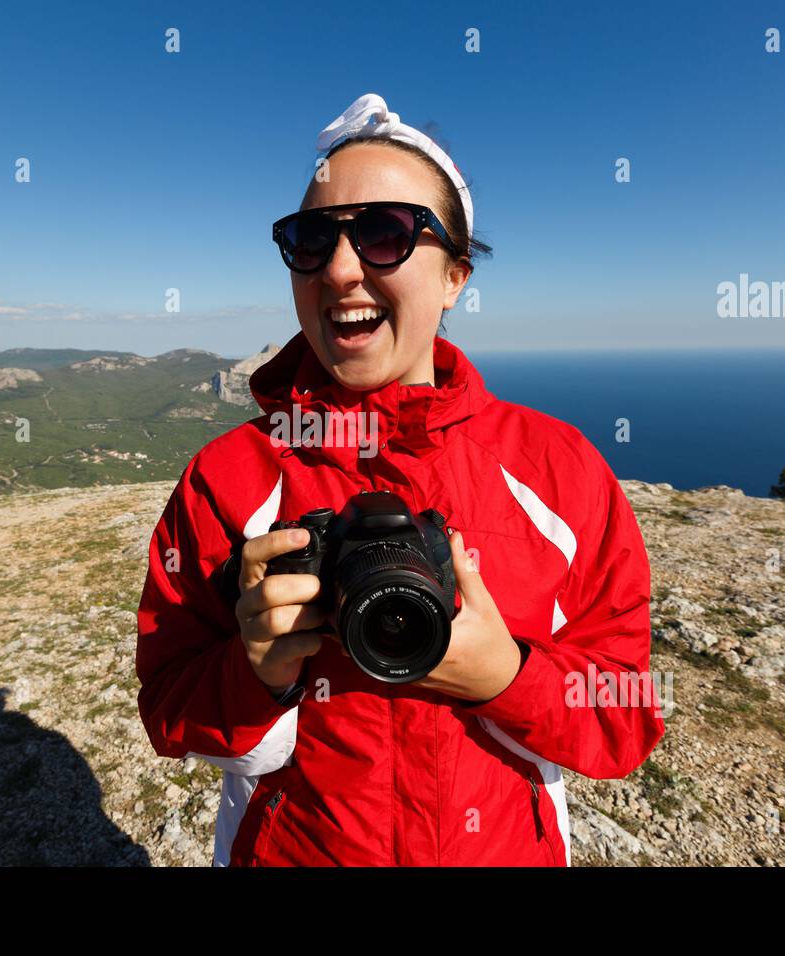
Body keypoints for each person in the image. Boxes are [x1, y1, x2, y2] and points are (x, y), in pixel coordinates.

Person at [135, 93, 665, 866]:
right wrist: (254, 674)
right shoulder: (228, 479)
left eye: (386, 234)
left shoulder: (559, 468)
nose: (341, 268)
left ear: (455, 276)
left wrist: (504, 677)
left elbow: (626, 713)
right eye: (311, 239)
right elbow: (169, 708)